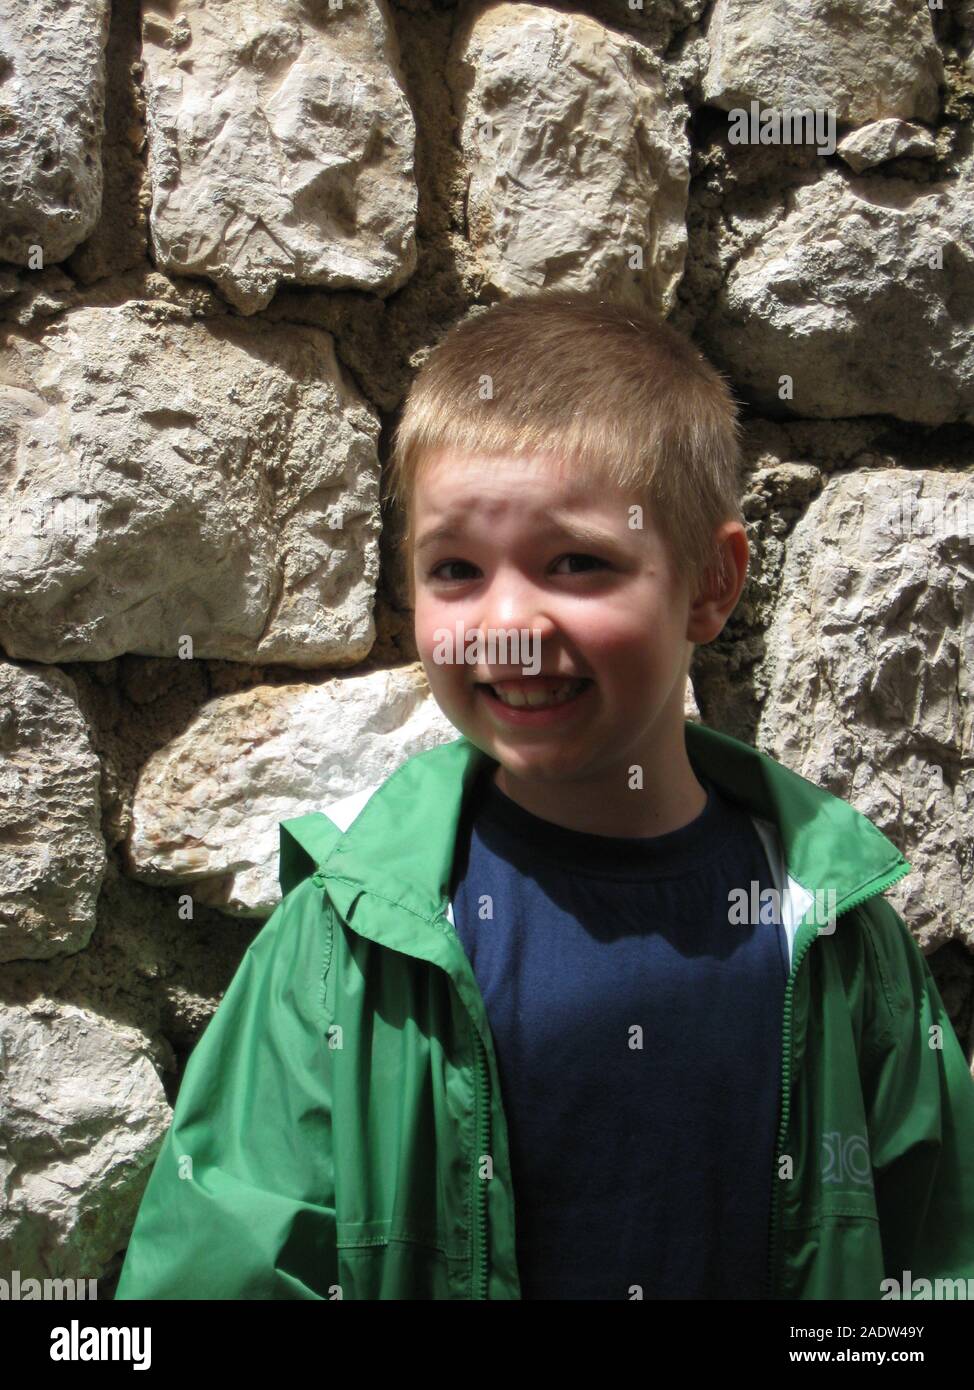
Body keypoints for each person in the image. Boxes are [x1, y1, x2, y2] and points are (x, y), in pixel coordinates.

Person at [115, 292, 974, 1300]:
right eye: (456, 570)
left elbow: (933, 1261)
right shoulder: (340, 951)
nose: (509, 624)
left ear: (708, 580)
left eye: (575, 563)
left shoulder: (834, 936)